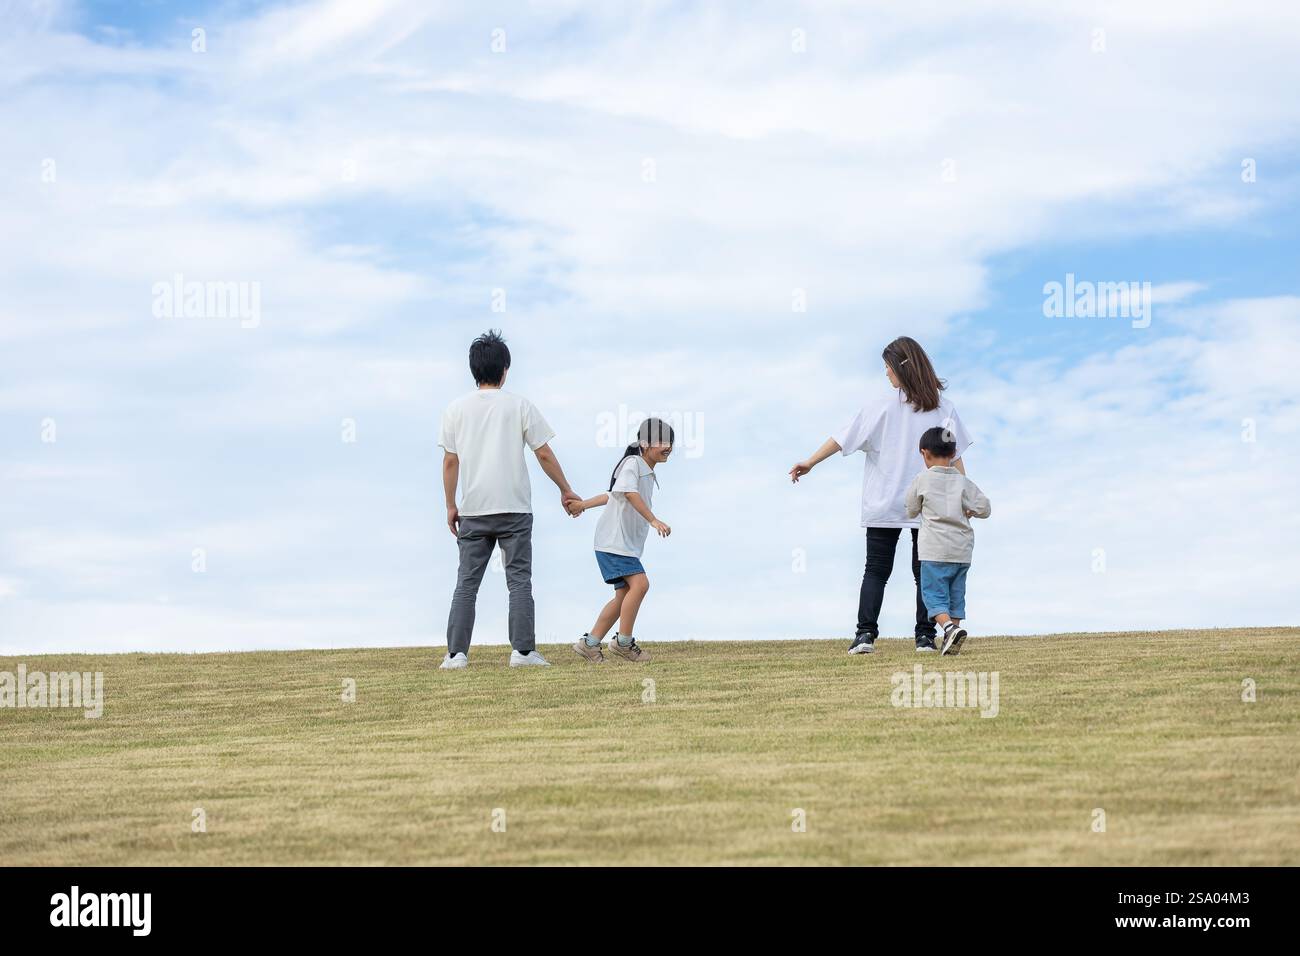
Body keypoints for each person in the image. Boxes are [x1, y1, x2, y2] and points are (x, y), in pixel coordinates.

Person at [789, 336, 972, 654]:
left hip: (890, 502)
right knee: (923, 572)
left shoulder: (882, 408)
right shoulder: (941, 409)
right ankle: (925, 638)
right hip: (928, 505)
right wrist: (963, 495)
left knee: (877, 569)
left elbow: (842, 437)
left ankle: (865, 636)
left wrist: (810, 462)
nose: (886, 374)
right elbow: (954, 457)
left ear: (903, 368)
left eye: (888, 368)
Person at [438, 330, 580, 669]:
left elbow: (450, 462)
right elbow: (543, 454)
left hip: (473, 509)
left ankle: (456, 655)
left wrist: (450, 505)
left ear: (474, 371)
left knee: (466, 583)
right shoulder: (519, 405)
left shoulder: (455, 410)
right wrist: (565, 489)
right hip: (514, 508)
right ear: (505, 370)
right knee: (518, 579)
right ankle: (523, 652)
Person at [565, 418, 675, 663]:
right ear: (644, 444)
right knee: (641, 585)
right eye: (662, 441)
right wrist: (653, 520)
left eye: (670, 442)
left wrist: (582, 504)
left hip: (620, 544)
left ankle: (590, 644)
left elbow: (611, 496)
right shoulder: (633, 463)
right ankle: (623, 643)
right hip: (614, 542)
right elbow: (627, 493)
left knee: (623, 596)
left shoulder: (643, 469)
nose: (667, 446)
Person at [905, 426, 992, 655]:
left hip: (934, 550)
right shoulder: (963, 482)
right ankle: (951, 639)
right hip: (962, 551)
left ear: (925, 453)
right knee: (956, 595)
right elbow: (984, 508)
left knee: (933, 595)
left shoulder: (921, 480)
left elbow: (910, 510)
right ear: (953, 454)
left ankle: (948, 627)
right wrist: (970, 510)